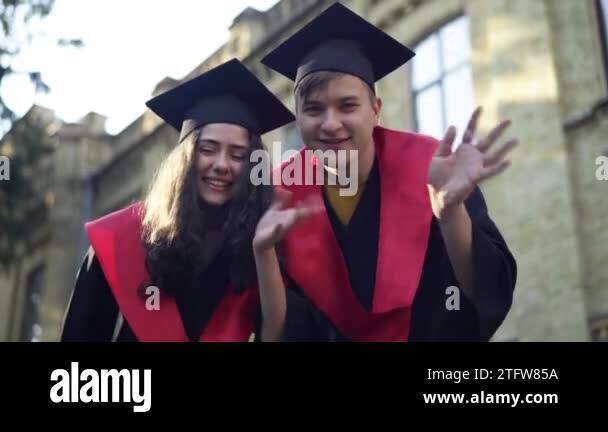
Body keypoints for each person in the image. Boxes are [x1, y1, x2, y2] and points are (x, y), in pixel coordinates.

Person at [253, 2, 518, 341]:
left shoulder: (432, 169)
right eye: (314, 110)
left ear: (376, 110)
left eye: (347, 106)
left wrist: (449, 212)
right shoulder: (281, 198)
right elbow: (286, 329)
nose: (330, 124)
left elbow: (485, 296)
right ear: (299, 118)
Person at [60, 58, 296, 342]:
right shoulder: (120, 238)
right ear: (184, 159)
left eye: (238, 155)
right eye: (207, 149)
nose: (222, 164)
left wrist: (266, 252)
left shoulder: (257, 248)